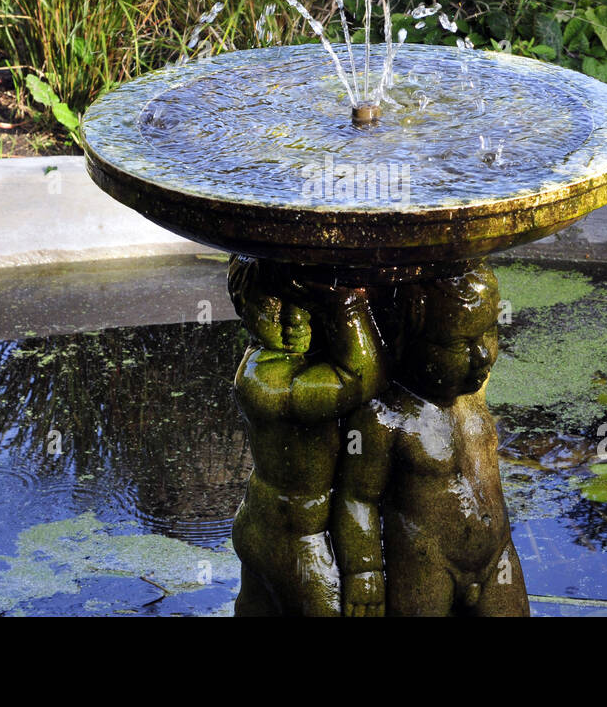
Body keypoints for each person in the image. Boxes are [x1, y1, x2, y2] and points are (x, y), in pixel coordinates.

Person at [333, 264, 529, 616]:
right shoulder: (384, 417)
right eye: (460, 344)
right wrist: (364, 570)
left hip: (497, 554)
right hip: (423, 563)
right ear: (404, 340)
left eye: (488, 333)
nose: (482, 355)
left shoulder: (475, 393)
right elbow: (357, 499)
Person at [226, 255, 386, 616]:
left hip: (263, 525)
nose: (293, 318)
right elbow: (360, 380)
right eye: (275, 307)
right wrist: (347, 305)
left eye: (303, 305)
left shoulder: (275, 358)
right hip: (295, 539)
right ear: (244, 308)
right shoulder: (265, 382)